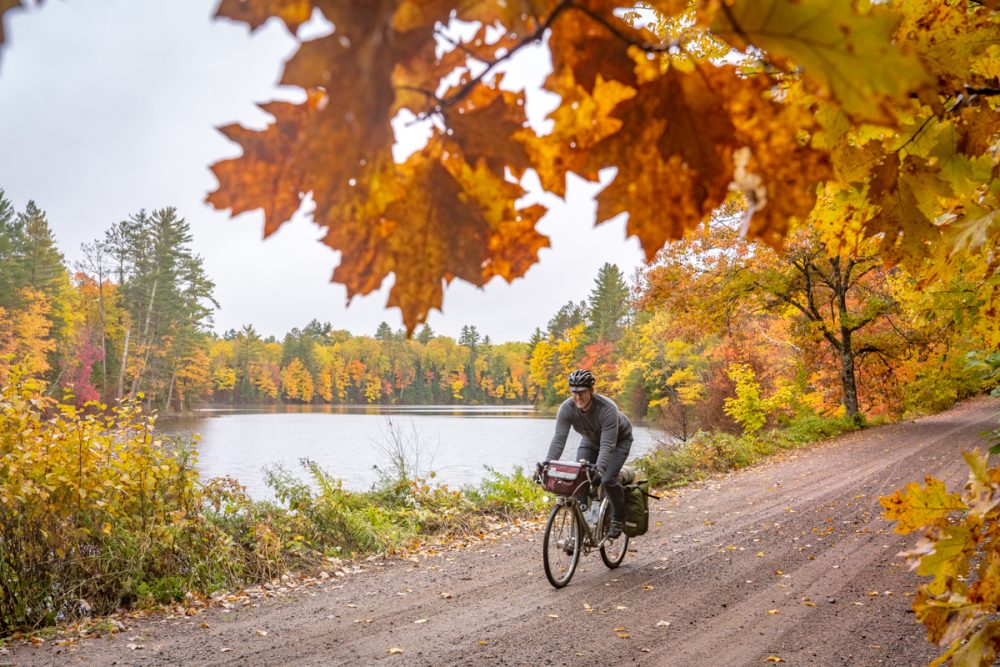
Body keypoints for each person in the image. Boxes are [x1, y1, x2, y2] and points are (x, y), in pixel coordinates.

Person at [541, 369, 633, 539]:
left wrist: (600, 468)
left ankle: (618, 517)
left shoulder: (607, 408)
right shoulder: (567, 408)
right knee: (579, 478)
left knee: (606, 479)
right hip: (590, 440)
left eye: (582, 392)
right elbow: (559, 439)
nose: (578, 397)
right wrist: (546, 464)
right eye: (574, 392)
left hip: (619, 441)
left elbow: (607, 444)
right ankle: (584, 519)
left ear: (591, 390)